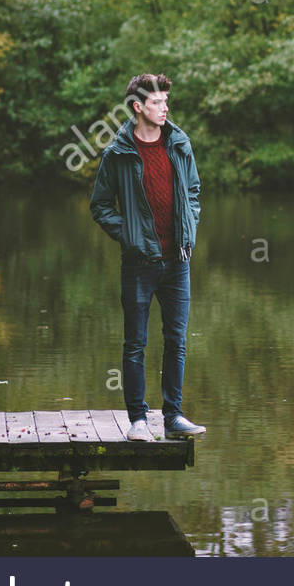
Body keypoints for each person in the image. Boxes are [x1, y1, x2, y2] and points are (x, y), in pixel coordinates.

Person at [89, 73, 205, 441]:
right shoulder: (118, 153)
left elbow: (194, 191)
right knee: (135, 343)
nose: (165, 107)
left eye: (166, 101)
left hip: (178, 261)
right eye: (157, 102)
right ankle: (138, 420)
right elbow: (101, 205)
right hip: (139, 264)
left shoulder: (180, 144)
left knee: (177, 341)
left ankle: (174, 415)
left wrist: (190, 225)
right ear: (138, 107)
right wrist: (130, 237)